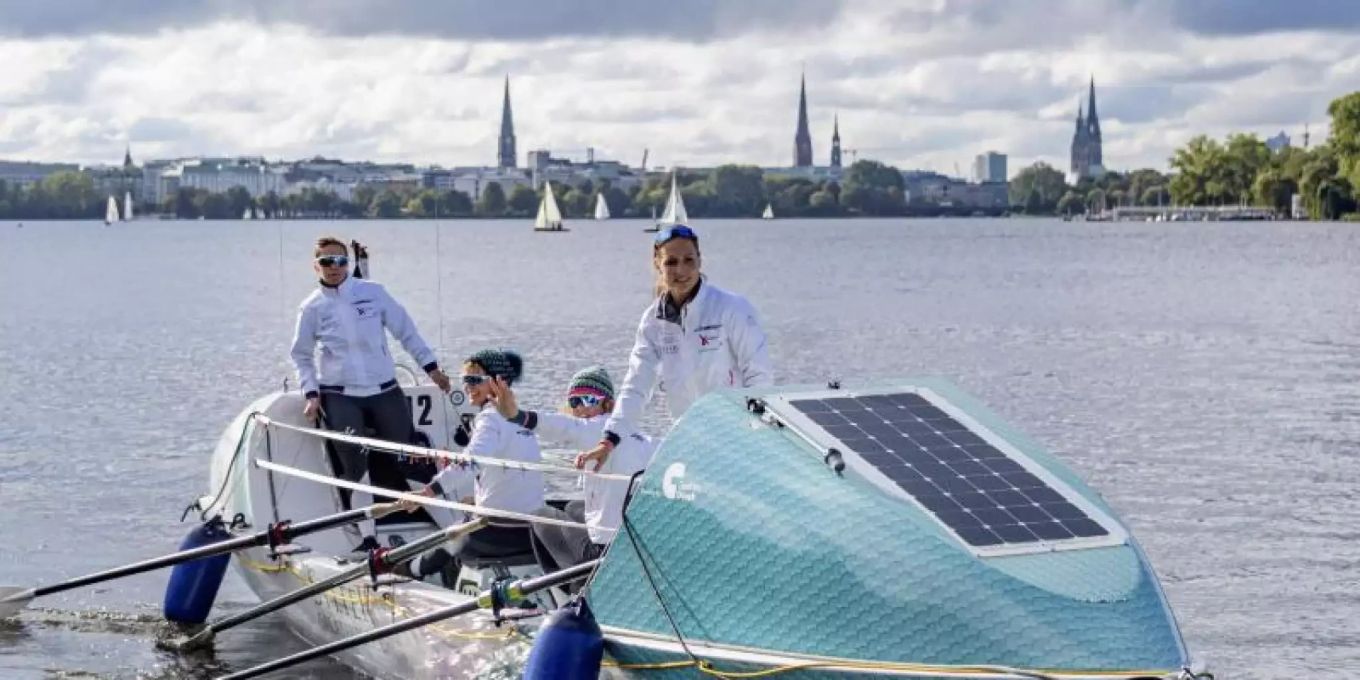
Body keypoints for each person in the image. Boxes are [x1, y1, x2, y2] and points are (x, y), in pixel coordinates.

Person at [289, 236, 451, 552]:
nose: (334, 268)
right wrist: (310, 393)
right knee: (355, 466)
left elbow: (407, 331)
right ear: (315, 266)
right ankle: (368, 539)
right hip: (340, 395)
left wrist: (432, 368)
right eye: (326, 262)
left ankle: (450, 525)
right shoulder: (310, 308)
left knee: (409, 457)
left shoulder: (373, 293)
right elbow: (301, 355)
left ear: (348, 264)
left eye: (340, 261)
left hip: (384, 389)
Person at [576, 224, 773, 472]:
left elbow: (760, 378)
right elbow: (636, 386)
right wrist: (609, 440)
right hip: (689, 443)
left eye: (689, 260)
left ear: (700, 260)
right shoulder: (652, 322)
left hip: (737, 443)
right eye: (671, 262)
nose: (681, 270)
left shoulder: (732, 308)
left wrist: (752, 436)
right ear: (657, 264)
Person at [489, 367, 655, 578]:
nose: (579, 408)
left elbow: (562, 427)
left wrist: (517, 416)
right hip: (632, 548)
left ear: (609, 404)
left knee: (540, 515)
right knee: (572, 506)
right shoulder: (644, 440)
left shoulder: (597, 430)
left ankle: (567, 589)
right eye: (573, 402)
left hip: (603, 554)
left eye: (587, 399)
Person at [399, 349, 544, 580]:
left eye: (474, 380)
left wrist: (428, 492)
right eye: (465, 380)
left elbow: (470, 463)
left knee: (454, 535)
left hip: (501, 531)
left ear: (498, 383)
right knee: (466, 520)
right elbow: (509, 477)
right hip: (531, 531)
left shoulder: (489, 418)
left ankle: (408, 572)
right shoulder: (522, 419)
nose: (467, 386)